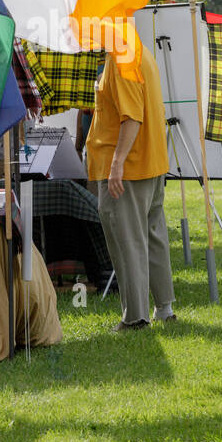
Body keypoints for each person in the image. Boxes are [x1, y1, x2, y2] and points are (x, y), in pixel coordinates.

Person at [87, 45, 174, 331]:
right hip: (148, 163)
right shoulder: (139, 50)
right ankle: (164, 308)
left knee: (128, 243)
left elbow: (132, 117)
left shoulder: (121, 57)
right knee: (152, 237)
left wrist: (116, 164)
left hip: (129, 170)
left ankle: (135, 317)